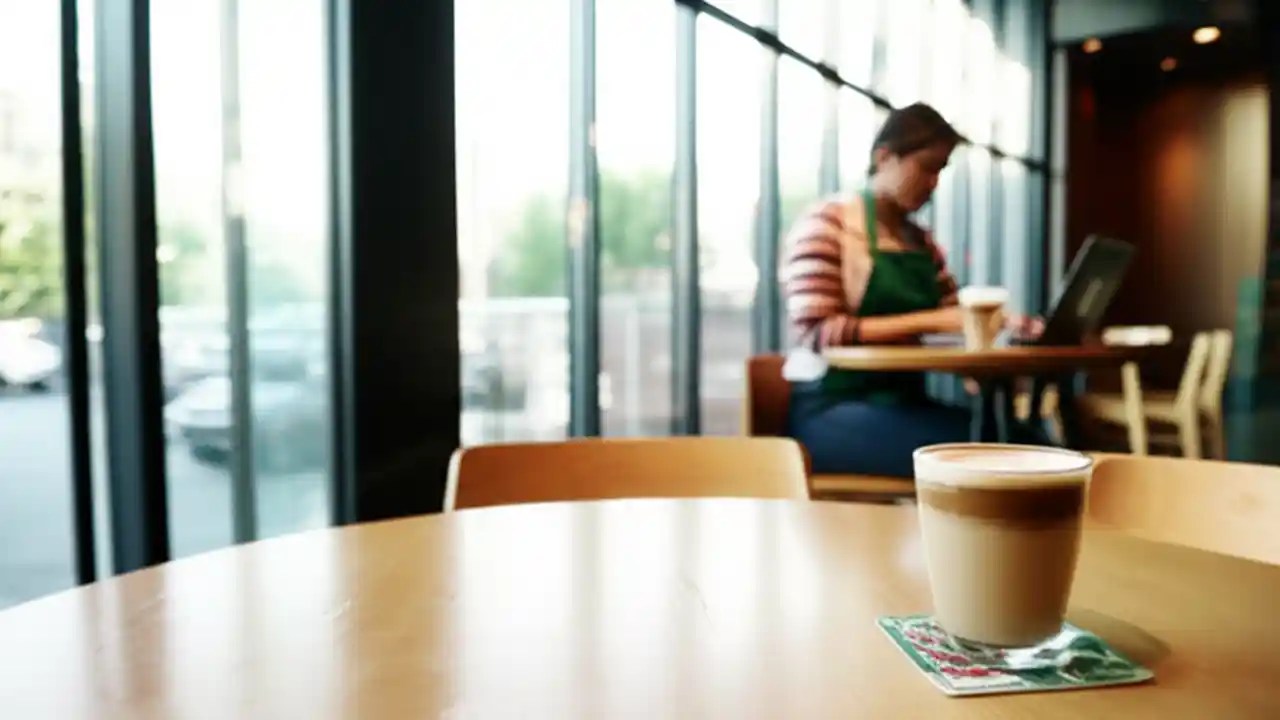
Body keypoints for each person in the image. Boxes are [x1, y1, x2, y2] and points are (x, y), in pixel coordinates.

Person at [780, 102, 1045, 478]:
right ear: (884, 157)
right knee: (1004, 456)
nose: (934, 183)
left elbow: (956, 321)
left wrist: (1005, 327)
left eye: (941, 170)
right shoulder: (826, 224)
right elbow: (818, 333)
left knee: (1025, 442)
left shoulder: (920, 241)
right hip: (832, 411)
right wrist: (937, 319)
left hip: (905, 404)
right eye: (927, 168)